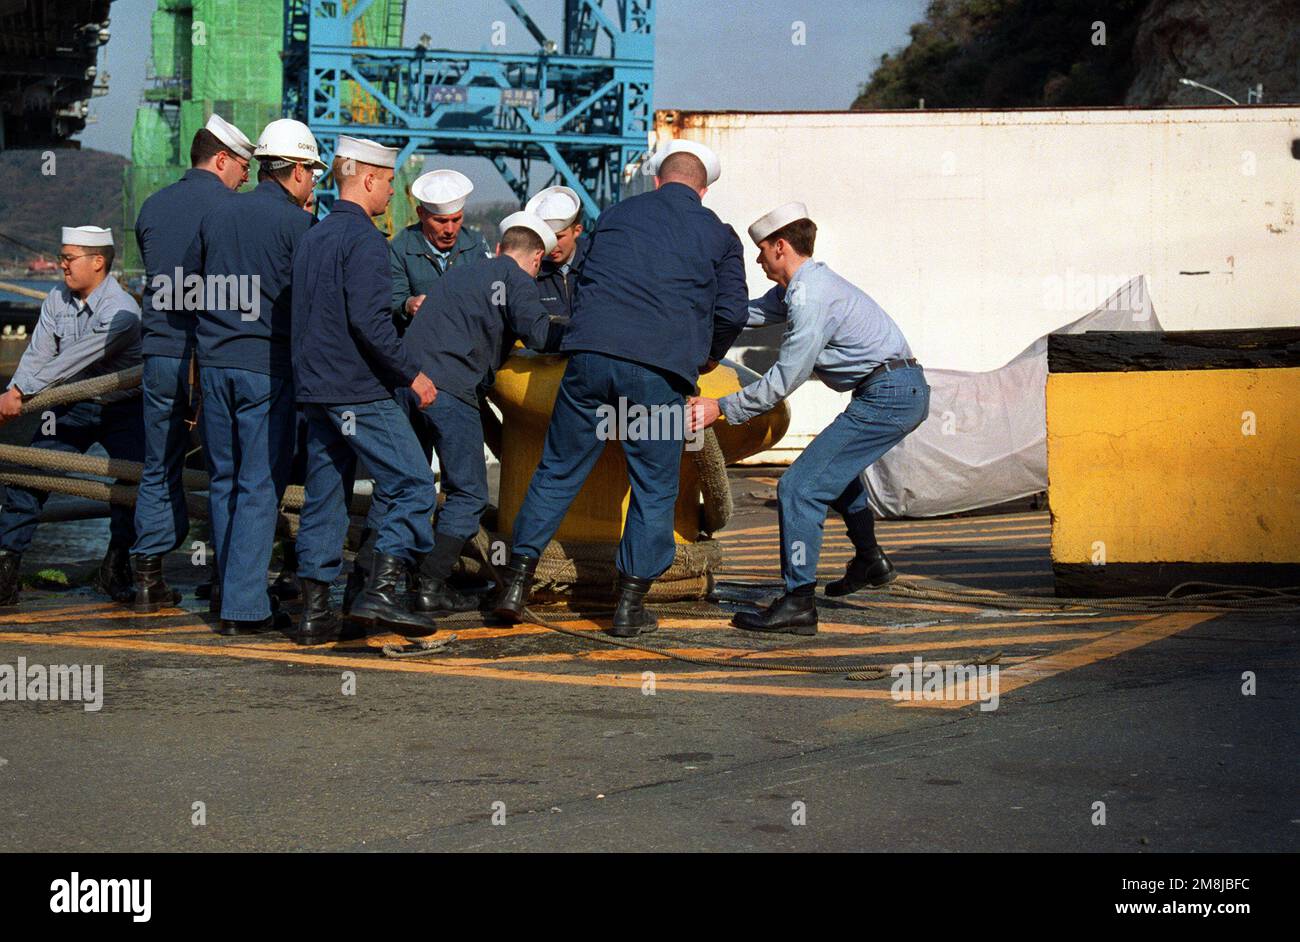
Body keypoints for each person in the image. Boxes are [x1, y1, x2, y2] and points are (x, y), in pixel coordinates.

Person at [492, 140, 749, 637]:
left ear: (656, 180)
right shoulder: (719, 235)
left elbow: (583, 281)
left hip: (589, 362)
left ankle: (514, 585)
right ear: (704, 189)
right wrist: (706, 356)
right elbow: (733, 311)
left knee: (558, 471)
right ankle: (629, 607)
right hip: (658, 375)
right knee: (654, 487)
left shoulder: (614, 215)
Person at [688, 203, 929, 636]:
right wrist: (695, 311)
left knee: (798, 487)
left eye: (761, 251)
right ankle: (870, 559)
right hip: (891, 390)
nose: (758, 260)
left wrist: (719, 408)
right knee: (834, 474)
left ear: (780, 247)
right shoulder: (804, 286)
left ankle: (798, 601)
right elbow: (748, 314)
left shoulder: (810, 296)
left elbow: (785, 377)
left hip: (890, 396)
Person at [290, 136, 441, 645]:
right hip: (357, 388)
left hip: (315, 390)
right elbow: (371, 324)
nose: (392, 190)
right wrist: (411, 375)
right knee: (414, 483)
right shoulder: (367, 240)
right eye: (391, 180)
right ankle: (381, 588)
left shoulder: (314, 236)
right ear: (370, 178)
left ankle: (313, 613)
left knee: (325, 495)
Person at [186, 118, 321, 635]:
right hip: (267, 367)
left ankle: (227, 588)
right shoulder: (300, 227)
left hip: (216, 363)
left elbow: (195, 291)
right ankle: (243, 607)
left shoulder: (218, 216)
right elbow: (309, 306)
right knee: (260, 485)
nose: (314, 181)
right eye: (313, 171)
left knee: (224, 481)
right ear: (296, 171)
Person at [398, 211, 566, 614]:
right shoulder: (516, 278)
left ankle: (373, 583)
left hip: (405, 383)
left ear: (499, 247)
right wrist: (587, 333)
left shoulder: (460, 273)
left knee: (406, 488)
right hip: (449, 390)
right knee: (469, 494)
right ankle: (430, 584)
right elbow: (540, 335)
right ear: (537, 258)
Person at [129, 113, 253, 613]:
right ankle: (228, 581)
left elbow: (162, 281)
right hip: (215, 358)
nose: (247, 176)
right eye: (242, 166)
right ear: (221, 159)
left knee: (157, 465)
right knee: (232, 469)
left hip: (159, 353)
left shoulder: (153, 206)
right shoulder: (233, 211)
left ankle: (147, 577)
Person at [0, 226, 143, 606]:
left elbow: (69, 362)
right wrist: (16, 391)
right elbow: (38, 352)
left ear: (98, 262)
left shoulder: (123, 314)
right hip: (70, 406)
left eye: (68, 258)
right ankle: (6, 568)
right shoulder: (56, 299)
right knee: (30, 474)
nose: (61, 265)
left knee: (133, 486)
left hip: (123, 407)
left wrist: (18, 394)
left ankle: (116, 568)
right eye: (62, 257)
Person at [389, 168, 490, 333]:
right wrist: (407, 305)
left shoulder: (477, 244)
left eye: (456, 219)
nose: (450, 229)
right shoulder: (400, 248)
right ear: (421, 214)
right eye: (441, 221)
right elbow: (391, 302)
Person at [526, 186, 587, 320]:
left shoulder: (595, 265)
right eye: (546, 237)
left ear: (577, 231)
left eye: (558, 237)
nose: (552, 245)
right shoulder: (531, 272)